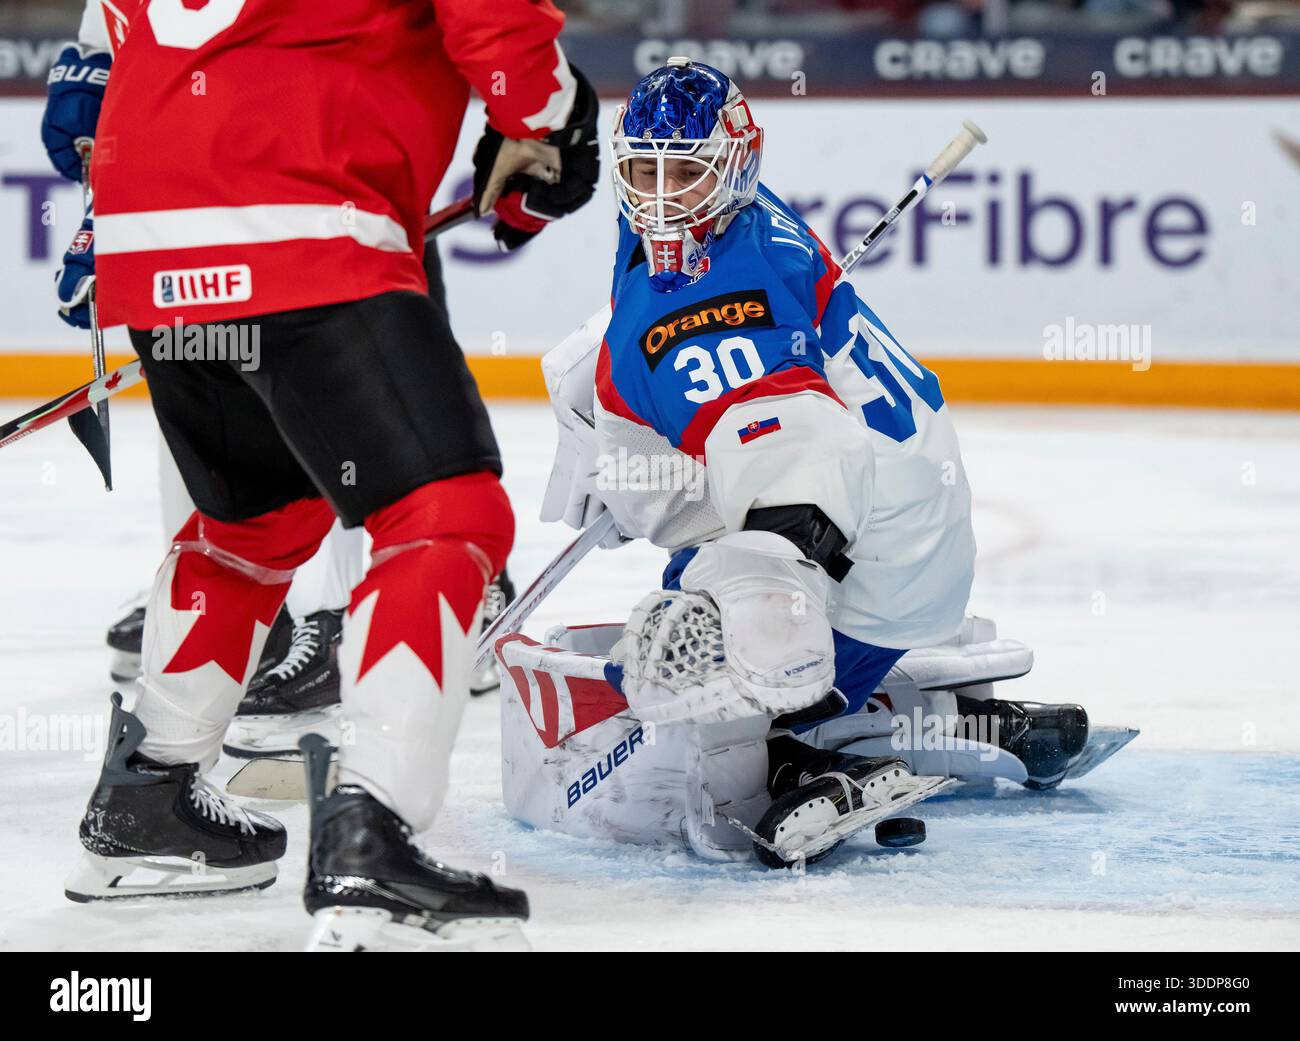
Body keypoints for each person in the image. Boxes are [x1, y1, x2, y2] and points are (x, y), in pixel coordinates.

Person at [56, 0, 599, 953]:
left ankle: (147, 800)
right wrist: (551, 120)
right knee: (444, 512)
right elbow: (495, 26)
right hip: (300, 204)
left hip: (147, 229)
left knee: (251, 524)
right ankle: (372, 834)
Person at [508, 58, 1095, 867]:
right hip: (909, 525)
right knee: (612, 395)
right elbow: (638, 326)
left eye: (684, 172)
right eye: (643, 169)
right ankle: (910, 711)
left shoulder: (717, 316)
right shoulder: (735, 221)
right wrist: (612, 426)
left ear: (732, 163)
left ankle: (787, 758)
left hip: (869, 546)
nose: (659, 195)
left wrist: (748, 590)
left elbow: (798, 449)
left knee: (690, 652)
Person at [42, 29, 512, 740]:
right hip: (227, 180)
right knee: (221, 404)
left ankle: (344, 611)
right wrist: (106, 197)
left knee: (372, 427)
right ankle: (248, 609)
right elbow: (120, 78)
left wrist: (540, 113)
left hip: (326, 178)